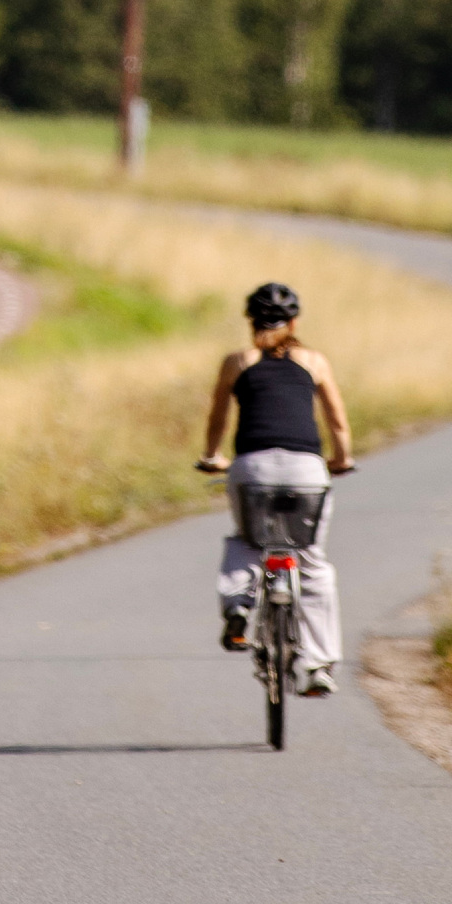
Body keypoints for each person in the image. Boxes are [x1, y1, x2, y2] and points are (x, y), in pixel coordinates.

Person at [199, 280, 352, 693]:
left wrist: (213, 456)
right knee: (312, 562)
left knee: (246, 541)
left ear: (251, 321)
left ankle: (237, 606)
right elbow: (336, 420)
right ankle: (318, 666)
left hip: (252, 467)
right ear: (294, 321)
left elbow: (218, 419)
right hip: (307, 469)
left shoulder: (238, 361)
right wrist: (342, 458)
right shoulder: (315, 361)